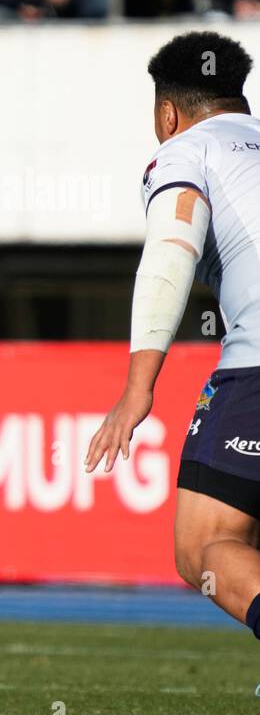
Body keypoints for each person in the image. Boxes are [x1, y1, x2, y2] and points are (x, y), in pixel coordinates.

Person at [86, 31, 260, 644]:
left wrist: (138, 388)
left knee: (206, 545)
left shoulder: (185, 151)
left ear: (168, 112)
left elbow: (170, 253)